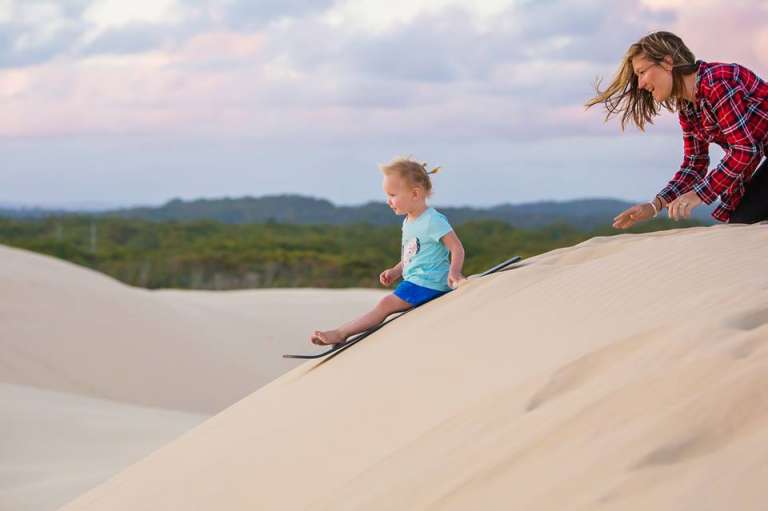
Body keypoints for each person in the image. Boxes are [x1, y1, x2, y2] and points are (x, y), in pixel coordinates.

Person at [585, 31, 768, 227]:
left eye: (641, 72)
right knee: (740, 225)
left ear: (667, 63)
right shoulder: (688, 108)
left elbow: (744, 150)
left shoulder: (716, 83)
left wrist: (699, 194)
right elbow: (694, 164)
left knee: (740, 228)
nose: (640, 84)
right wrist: (655, 205)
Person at [310, 157, 465, 345]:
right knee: (386, 304)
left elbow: (456, 248)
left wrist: (454, 273)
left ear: (415, 194)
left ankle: (341, 333)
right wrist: (396, 271)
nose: (388, 201)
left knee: (385, 305)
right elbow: (413, 255)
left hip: (429, 284)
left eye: (392, 195)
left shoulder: (433, 220)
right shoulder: (409, 221)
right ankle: (341, 332)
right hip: (417, 282)